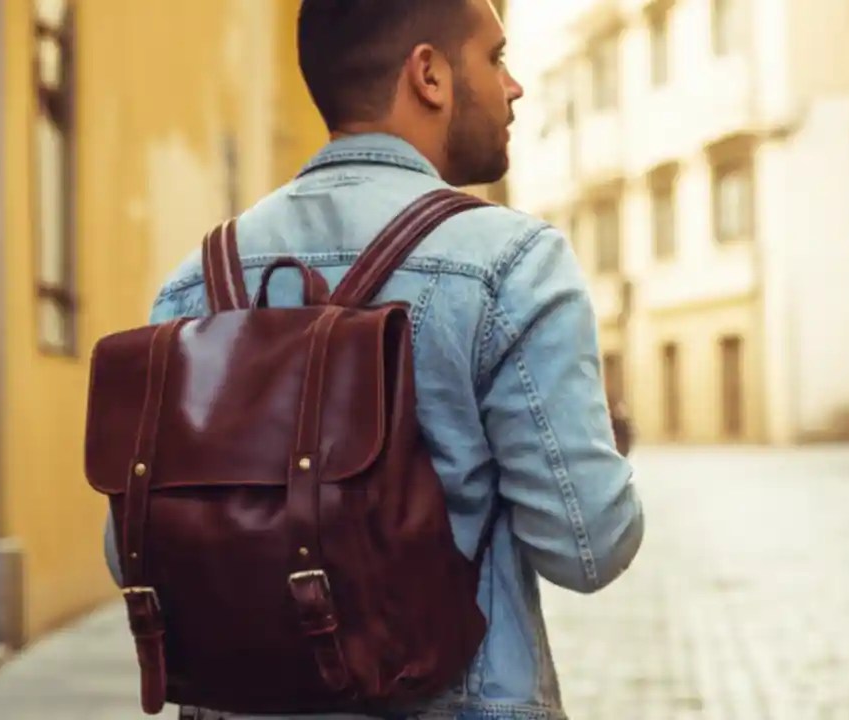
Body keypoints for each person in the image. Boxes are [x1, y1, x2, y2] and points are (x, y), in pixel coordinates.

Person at [105, 1, 644, 717]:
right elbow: (588, 546)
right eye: (496, 58)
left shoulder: (200, 278)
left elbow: (129, 550)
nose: (514, 88)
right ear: (429, 75)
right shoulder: (513, 263)